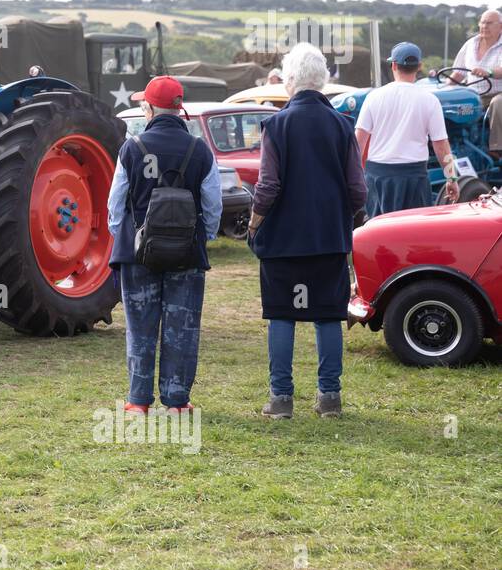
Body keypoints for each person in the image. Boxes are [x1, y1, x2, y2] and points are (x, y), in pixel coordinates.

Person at [248, 43, 367, 419]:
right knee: (328, 315)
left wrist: (254, 222)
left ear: (290, 81)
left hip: (283, 239)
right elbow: (357, 188)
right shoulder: (341, 125)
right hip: (328, 237)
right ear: (323, 80)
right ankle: (329, 397)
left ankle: (281, 399)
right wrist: (350, 217)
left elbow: (267, 186)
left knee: (281, 315)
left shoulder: (277, 124)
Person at [106, 76, 221, 415]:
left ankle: (138, 401)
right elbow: (212, 205)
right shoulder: (200, 149)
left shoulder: (132, 147)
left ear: (151, 108)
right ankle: (177, 401)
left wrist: (124, 238)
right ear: (179, 107)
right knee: (181, 328)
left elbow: (116, 204)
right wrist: (204, 237)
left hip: (138, 253)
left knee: (140, 326)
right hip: (186, 254)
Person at [355, 41, 458, 214]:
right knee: (414, 235)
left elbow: (358, 142)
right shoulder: (430, 100)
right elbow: (441, 145)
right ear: (419, 66)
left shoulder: (373, 97)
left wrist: (352, 178)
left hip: (378, 177)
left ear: (393, 65)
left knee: (378, 234)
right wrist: (451, 177)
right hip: (414, 178)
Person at [449, 9, 502, 153]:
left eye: (490, 23)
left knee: (498, 103)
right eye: (483, 22)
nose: (485, 26)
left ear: (501, 26)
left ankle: (497, 148)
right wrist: (445, 87)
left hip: (497, 94)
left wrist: (489, 72)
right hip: (473, 95)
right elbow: (459, 72)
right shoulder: (470, 44)